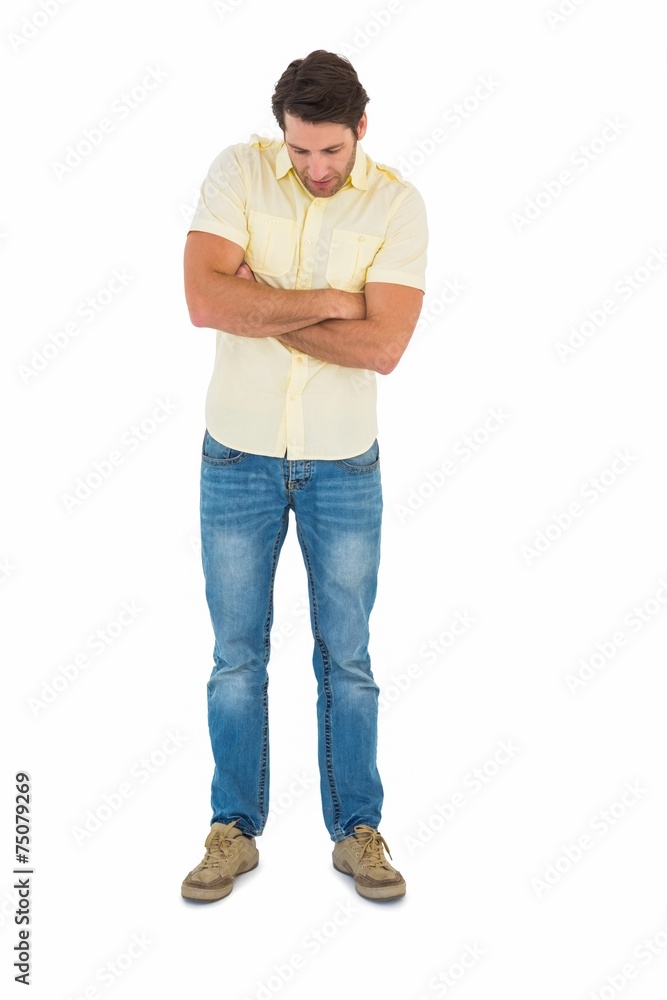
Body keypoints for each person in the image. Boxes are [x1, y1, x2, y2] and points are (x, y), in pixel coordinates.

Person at [180, 49, 428, 903]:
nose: (315, 168)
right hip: (235, 455)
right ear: (280, 133)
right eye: (299, 151)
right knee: (234, 657)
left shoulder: (397, 205)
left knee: (347, 657)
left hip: (341, 463)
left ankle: (356, 829)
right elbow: (207, 302)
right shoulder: (236, 174)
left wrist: (271, 302)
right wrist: (334, 299)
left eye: (330, 150)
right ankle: (231, 831)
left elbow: (383, 347)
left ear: (360, 129)